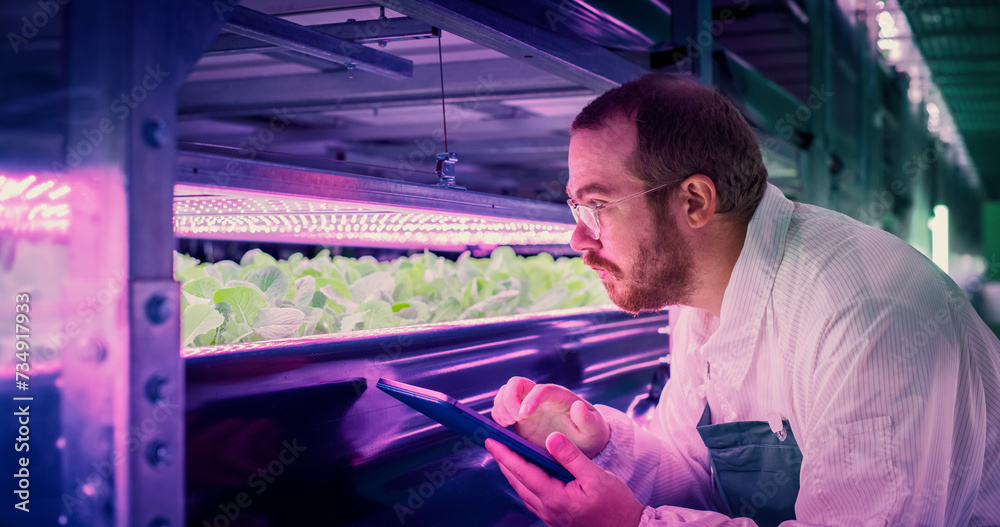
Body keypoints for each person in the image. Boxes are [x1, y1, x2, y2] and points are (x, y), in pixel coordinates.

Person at [485, 73, 1000, 527]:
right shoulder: (702, 294)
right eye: (576, 207)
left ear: (694, 202)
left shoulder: (866, 313)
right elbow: (694, 474)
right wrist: (598, 444)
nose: (578, 239)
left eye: (598, 206)